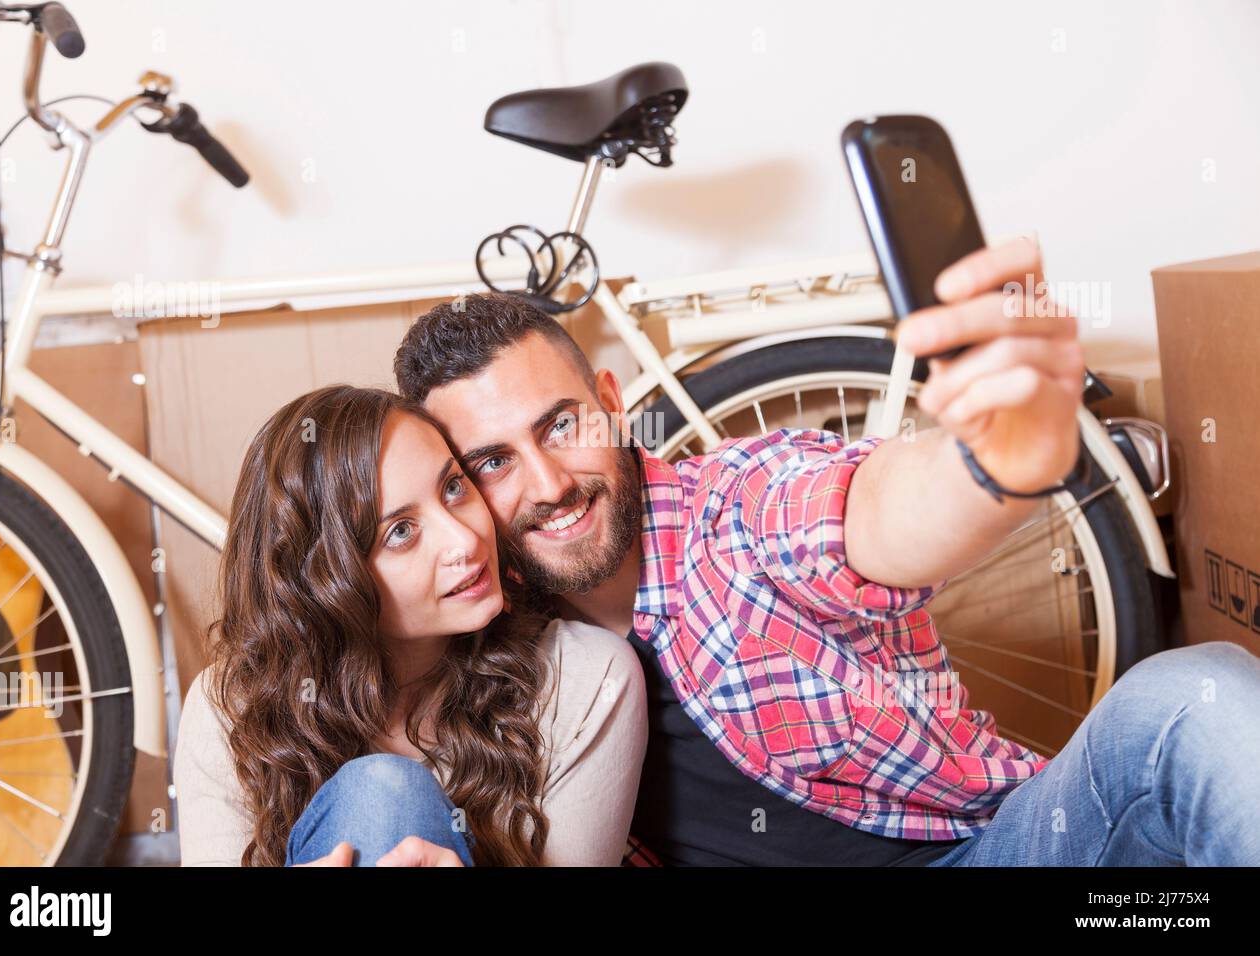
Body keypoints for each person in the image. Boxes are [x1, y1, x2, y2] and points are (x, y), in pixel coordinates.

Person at [392, 237, 1260, 866]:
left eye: (562, 424)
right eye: (494, 462)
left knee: (1192, 696)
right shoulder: (484, 621)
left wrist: (990, 466)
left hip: (998, 860)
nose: (546, 483)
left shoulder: (734, 508)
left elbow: (870, 511)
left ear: (613, 402)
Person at [173, 385, 647, 867]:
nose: (464, 540)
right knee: (380, 794)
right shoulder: (234, 708)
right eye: (400, 532)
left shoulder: (587, 679)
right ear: (326, 582)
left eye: (454, 488)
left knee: (384, 794)